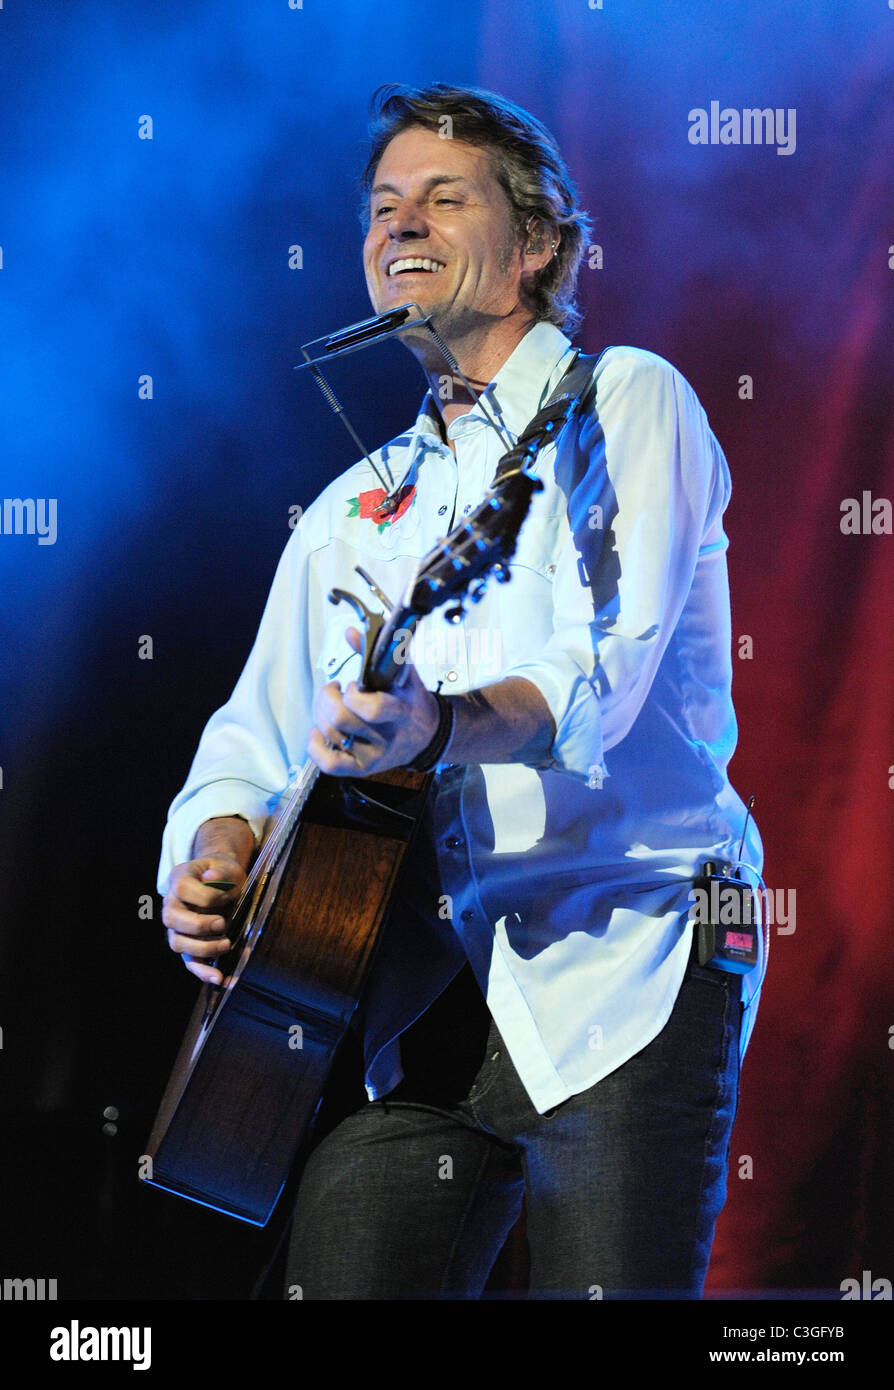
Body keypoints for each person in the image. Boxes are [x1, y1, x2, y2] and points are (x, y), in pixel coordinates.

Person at [158, 83, 764, 1300]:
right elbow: (247, 745)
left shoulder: (625, 403)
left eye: (445, 199)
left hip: (634, 944)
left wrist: (442, 722)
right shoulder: (351, 512)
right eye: (383, 209)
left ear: (539, 244)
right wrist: (212, 855)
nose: (403, 227)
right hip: (411, 991)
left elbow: (603, 675)